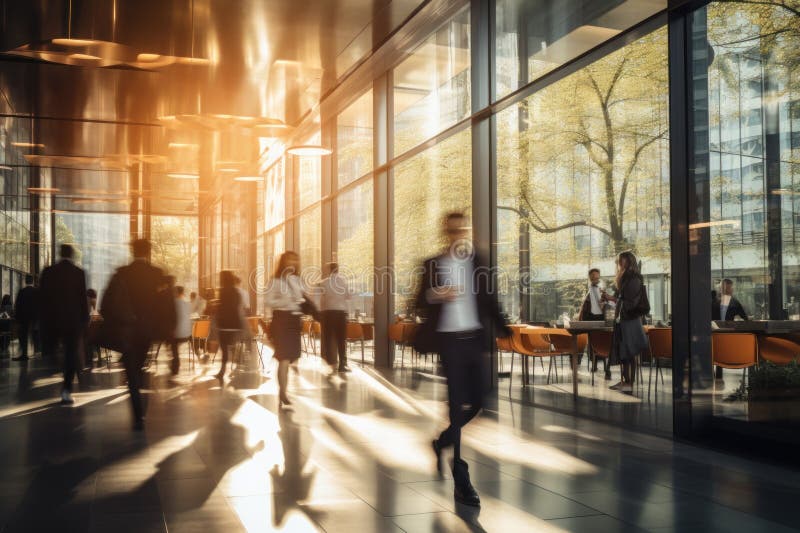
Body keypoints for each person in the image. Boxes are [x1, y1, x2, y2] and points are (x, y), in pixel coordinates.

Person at [417, 212, 510, 508]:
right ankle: (461, 477)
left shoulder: (477, 260)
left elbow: (490, 297)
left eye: (462, 228)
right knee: (456, 406)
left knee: (482, 401)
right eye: (453, 229)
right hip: (449, 343)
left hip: (474, 340)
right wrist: (437, 294)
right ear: (446, 231)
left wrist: (505, 328)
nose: (458, 233)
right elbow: (418, 302)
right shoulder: (433, 264)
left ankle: (442, 441)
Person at [113, 239, 166, 430]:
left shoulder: (122, 273)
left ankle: (138, 414)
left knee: (132, 370)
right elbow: (163, 305)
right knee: (141, 366)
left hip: (127, 330)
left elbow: (108, 303)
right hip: (147, 331)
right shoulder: (157, 274)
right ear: (148, 252)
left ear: (133, 251)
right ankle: (141, 409)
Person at [39, 244, 89, 404]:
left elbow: (43, 298)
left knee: (52, 350)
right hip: (72, 322)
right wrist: (84, 320)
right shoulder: (79, 273)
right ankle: (66, 390)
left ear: (60, 254)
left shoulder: (48, 272)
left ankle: (55, 362)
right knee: (71, 354)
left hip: (53, 320)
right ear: (72, 255)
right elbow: (83, 299)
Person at [264, 251, 311, 408]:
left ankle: (283, 391)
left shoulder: (298, 280)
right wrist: (284, 301)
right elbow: (268, 301)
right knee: (283, 359)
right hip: (281, 320)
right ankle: (282, 392)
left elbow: (304, 299)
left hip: (294, 321)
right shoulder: (275, 281)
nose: (293, 263)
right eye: (290, 260)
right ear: (283, 262)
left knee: (291, 358)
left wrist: (303, 301)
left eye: (296, 260)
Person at [608, 250, 649, 394]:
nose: (619, 263)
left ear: (629, 261)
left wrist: (614, 299)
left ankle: (629, 382)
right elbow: (624, 298)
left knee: (630, 351)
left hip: (630, 319)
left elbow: (630, 300)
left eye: (622, 260)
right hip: (625, 318)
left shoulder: (633, 278)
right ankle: (626, 381)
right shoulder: (627, 277)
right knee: (625, 351)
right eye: (619, 260)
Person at [319, 262, 352, 373]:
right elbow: (348, 296)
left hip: (328, 313)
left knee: (328, 338)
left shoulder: (324, 283)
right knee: (341, 339)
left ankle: (331, 362)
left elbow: (321, 299)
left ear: (329, 270)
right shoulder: (343, 281)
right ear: (338, 269)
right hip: (341, 313)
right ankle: (342, 364)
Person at [711, 279, 747, 379]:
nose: (728, 289)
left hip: (729, 334)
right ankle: (717, 373)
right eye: (725, 287)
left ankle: (719, 371)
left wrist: (738, 322)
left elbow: (745, 318)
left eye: (729, 287)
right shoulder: (713, 301)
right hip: (714, 333)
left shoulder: (735, 302)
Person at [578, 268, 611, 378]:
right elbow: (586, 308)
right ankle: (595, 365)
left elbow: (608, 304)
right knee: (593, 343)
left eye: (597, 277)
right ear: (590, 278)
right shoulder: (589, 291)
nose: (595, 279)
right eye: (593, 278)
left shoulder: (603, 290)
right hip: (592, 320)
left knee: (605, 342)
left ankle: (607, 368)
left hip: (602, 319)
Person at [215, 271, 243, 381]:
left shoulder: (223, 291)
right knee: (233, 346)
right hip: (235, 324)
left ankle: (222, 370)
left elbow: (221, 307)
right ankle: (237, 365)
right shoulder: (237, 292)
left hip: (225, 324)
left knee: (224, 348)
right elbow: (238, 307)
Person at [13, 275, 40, 361]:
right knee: (35, 335)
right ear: (32, 281)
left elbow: (18, 305)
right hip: (35, 317)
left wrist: (17, 318)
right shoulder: (37, 291)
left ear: (25, 281)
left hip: (24, 317)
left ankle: (24, 354)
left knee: (23, 335)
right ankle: (38, 352)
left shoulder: (22, 291)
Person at [171, 286, 192, 376]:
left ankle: (175, 361)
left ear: (175, 293)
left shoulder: (172, 303)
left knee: (171, 339)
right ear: (183, 293)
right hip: (187, 334)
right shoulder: (188, 304)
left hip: (176, 336)